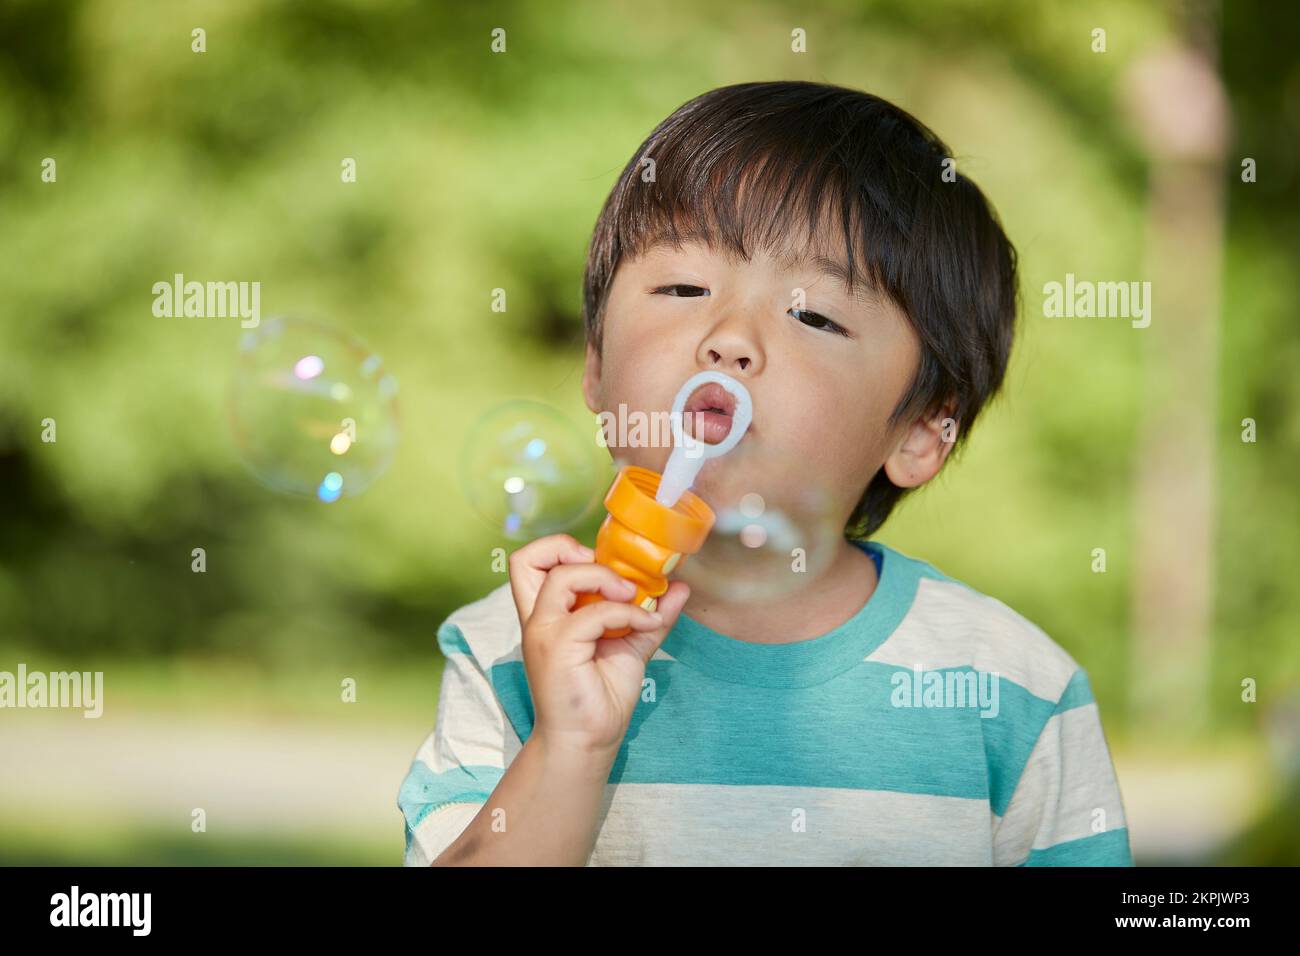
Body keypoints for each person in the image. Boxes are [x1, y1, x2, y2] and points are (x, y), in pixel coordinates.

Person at [398, 80, 1133, 866]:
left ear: (922, 430)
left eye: (814, 314)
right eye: (683, 287)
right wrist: (568, 745)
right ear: (596, 365)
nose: (729, 338)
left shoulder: (1010, 691)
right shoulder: (512, 651)